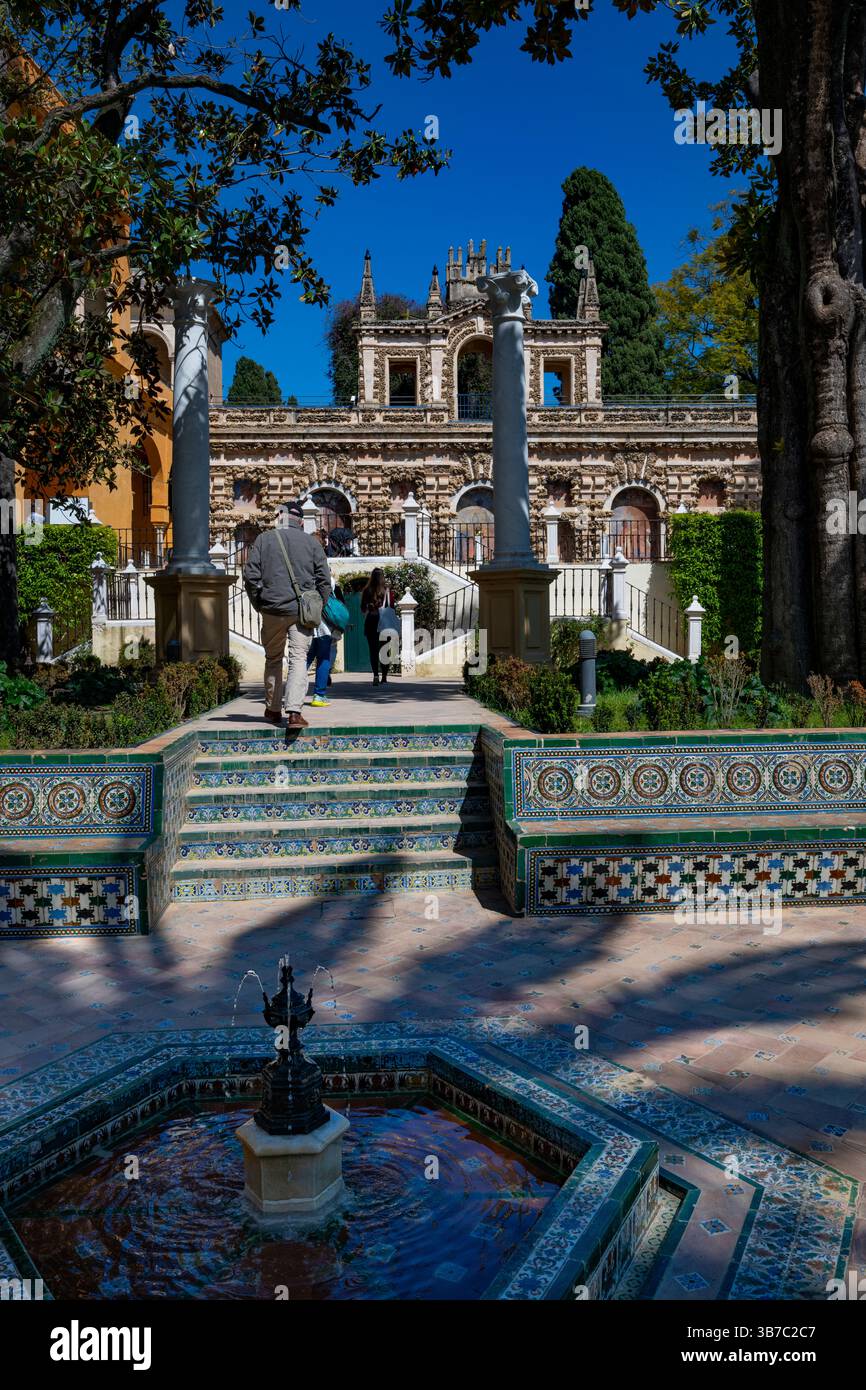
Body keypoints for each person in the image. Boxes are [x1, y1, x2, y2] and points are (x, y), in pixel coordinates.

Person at [243, 502, 331, 729]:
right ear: (301, 522)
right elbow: (324, 580)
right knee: (298, 659)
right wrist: (317, 606)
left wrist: (259, 603)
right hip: (300, 612)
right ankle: (293, 713)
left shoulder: (263, 540)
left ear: (279, 518)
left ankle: (272, 709)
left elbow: (251, 576)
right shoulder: (312, 543)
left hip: (271, 610)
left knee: (273, 659)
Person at [306, 584, 344, 707]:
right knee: (323, 658)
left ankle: (294, 693)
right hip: (324, 627)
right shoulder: (329, 581)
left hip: (307, 623)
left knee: (304, 659)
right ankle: (319, 695)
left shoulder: (307, 578)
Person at [360, 568, 396, 685]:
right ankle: (384, 676)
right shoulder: (387, 591)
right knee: (385, 650)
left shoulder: (367, 590)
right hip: (384, 622)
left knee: (373, 650)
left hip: (371, 620)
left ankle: (375, 675)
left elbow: (362, 608)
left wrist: (370, 608)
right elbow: (392, 607)